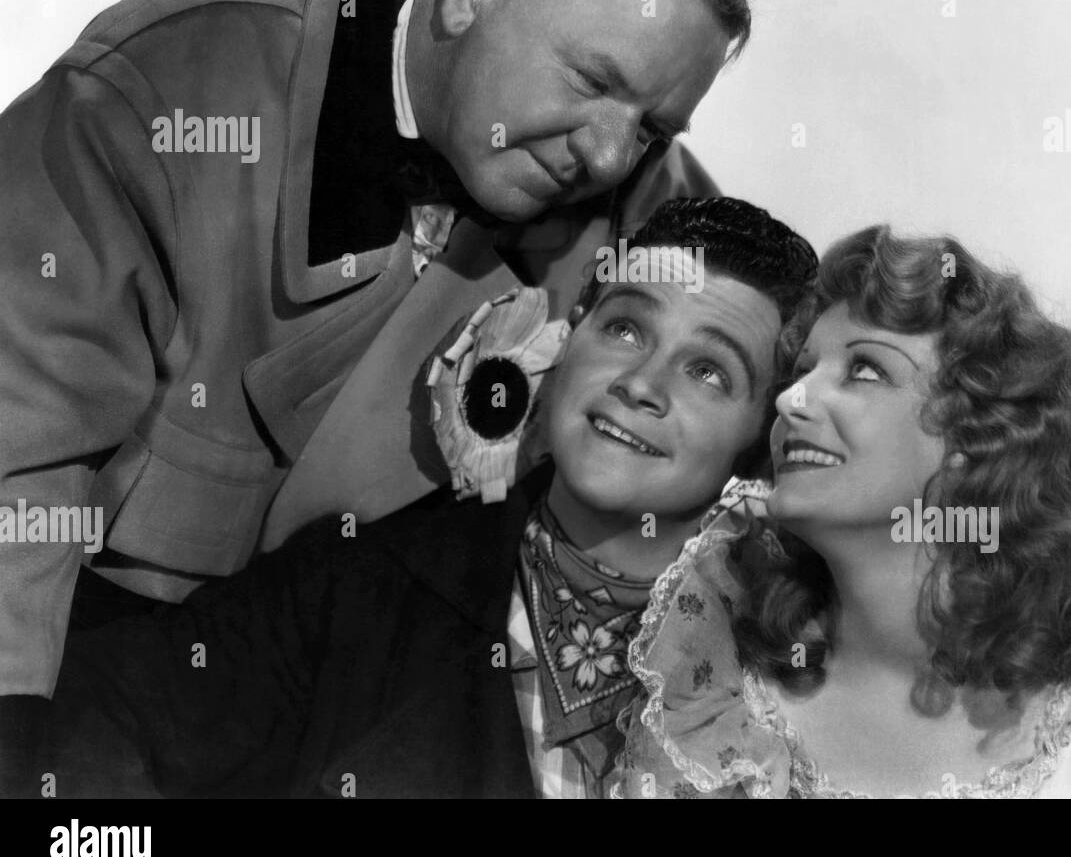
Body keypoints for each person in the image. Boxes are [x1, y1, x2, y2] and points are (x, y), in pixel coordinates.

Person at [0, 0, 749, 779]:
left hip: (365, 704)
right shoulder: (171, 80)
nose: (607, 157)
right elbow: (14, 447)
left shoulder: (649, 202)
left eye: (650, 125)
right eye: (594, 82)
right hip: (78, 665)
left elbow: (768, 393)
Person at [27, 198, 818, 798]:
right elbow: (102, 722)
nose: (642, 385)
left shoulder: (789, 664)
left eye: (709, 371)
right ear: (569, 334)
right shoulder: (362, 588)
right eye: (625, 330)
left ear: (759, 438)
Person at [617, 225, 1071, 798]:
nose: (793, 401)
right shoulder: (713, 702)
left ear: (980, 439)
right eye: (800, 370)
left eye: (863, 371)